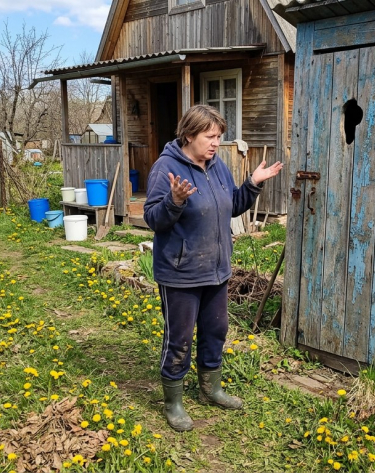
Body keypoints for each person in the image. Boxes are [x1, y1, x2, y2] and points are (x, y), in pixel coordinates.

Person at [143, 105, 283, 431]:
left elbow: (231, 205)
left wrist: (252, 184)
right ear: (189, 135)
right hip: (181, 273)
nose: (215, 143)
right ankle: (173, 402)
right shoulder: (166, 168)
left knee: (216, 330)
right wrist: (174, 201)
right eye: (210, 136)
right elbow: (153, 219)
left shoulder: (217, 167)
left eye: (218, 136)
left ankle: (211, 388)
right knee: (179, 339)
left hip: (216, 270)